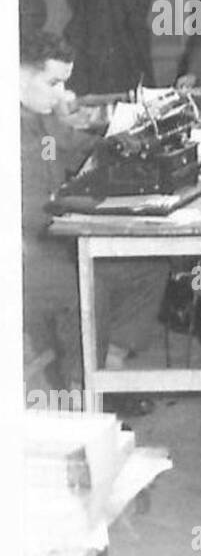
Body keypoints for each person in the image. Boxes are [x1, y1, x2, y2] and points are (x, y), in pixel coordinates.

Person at [20, 30, 164, 415]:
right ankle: (82, 402)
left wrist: (118, 143)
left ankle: (106, 376)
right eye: (53, 83)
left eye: (65, 83)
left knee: (147, 267)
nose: (61, 94)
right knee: (88, 285)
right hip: (23, 254)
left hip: (55, 237)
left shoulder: (42, 117)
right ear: (16, 72)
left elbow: (74, 143)